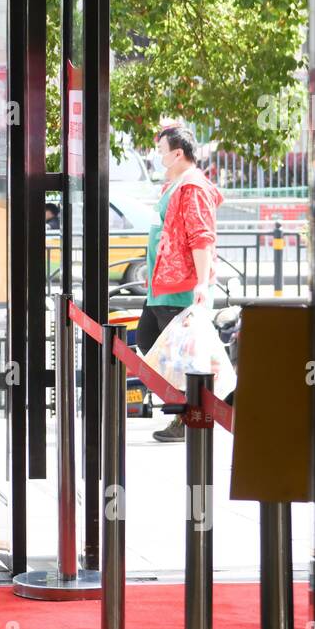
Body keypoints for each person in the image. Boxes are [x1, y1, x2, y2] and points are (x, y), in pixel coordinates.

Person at [136, 122, 223, 442]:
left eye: (161, 152)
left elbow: (202, 237)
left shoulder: (193, 187)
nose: (158, 157)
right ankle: (185, 411)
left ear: (177, 154)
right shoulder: (177, 185)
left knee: (179, 356)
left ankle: (189, 416)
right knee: (151, 343)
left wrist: (201, 283)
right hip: (164, 285)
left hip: (181, 286)